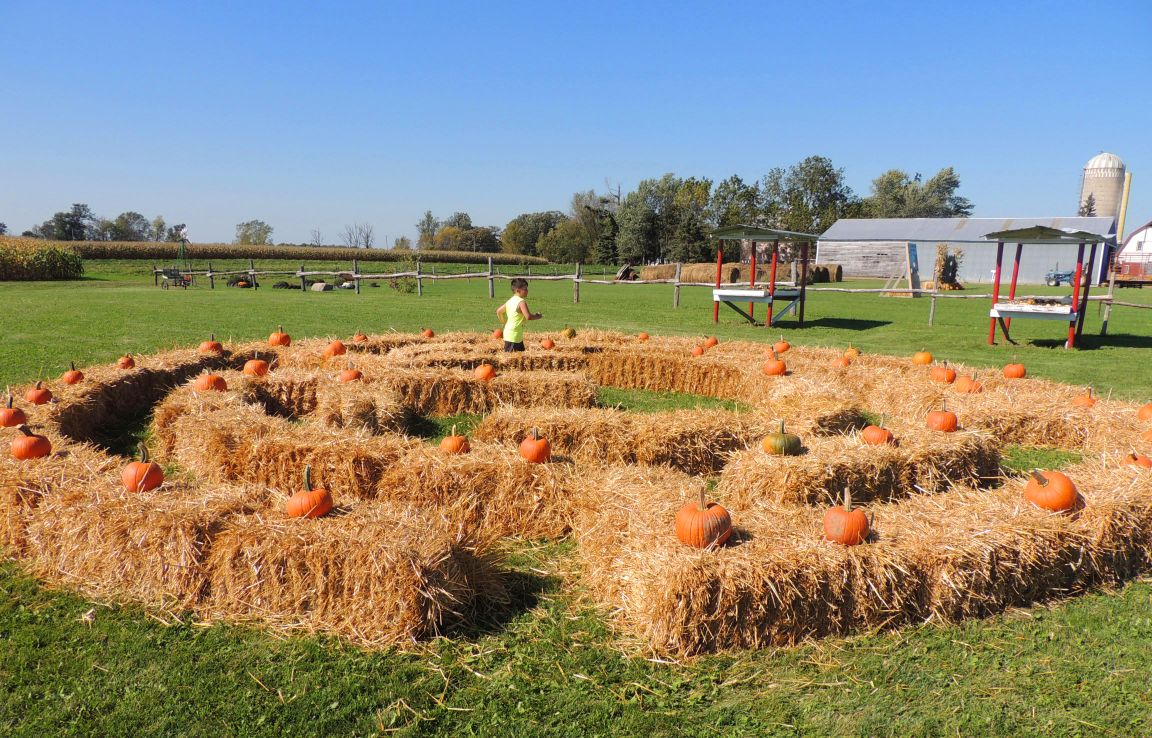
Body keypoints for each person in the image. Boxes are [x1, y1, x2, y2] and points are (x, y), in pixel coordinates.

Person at [496, 278, 542, 352]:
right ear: (518, 290)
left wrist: (504, 323)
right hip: (514, 336)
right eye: (525, 289)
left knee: (520, 358)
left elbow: (499, 311)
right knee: (511, 360)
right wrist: (538, 316)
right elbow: (528, 316)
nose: (527, 291)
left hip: (512, 334)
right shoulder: (521, 302)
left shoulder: (510, 300)